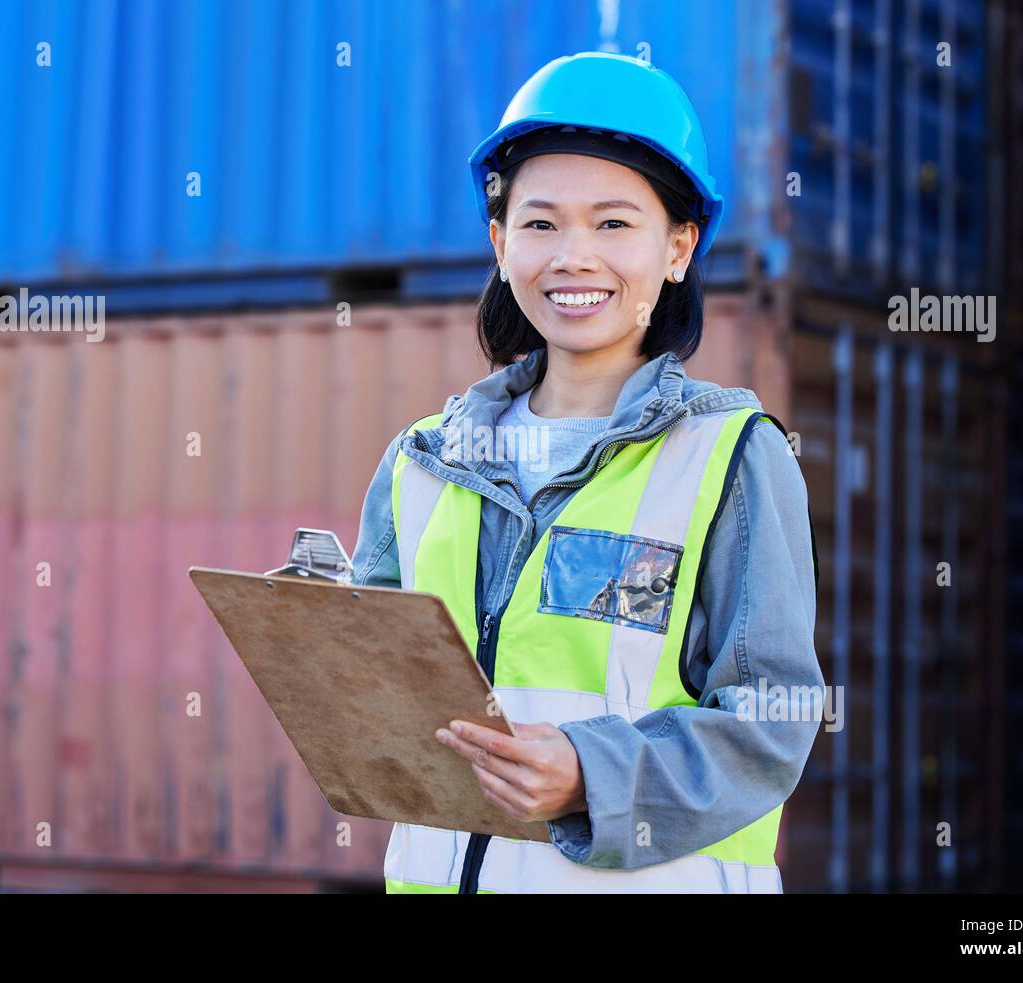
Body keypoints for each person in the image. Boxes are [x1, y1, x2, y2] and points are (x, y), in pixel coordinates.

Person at [351, 51, 823, 893]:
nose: (573, 255)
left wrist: (588, 775)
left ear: (678, 248)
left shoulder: (731, 458)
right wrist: (307, 628)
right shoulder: (420, 464)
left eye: (613, 224)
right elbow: (370, 703)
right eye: (540, 224)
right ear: (500, 244)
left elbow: (773, 722)